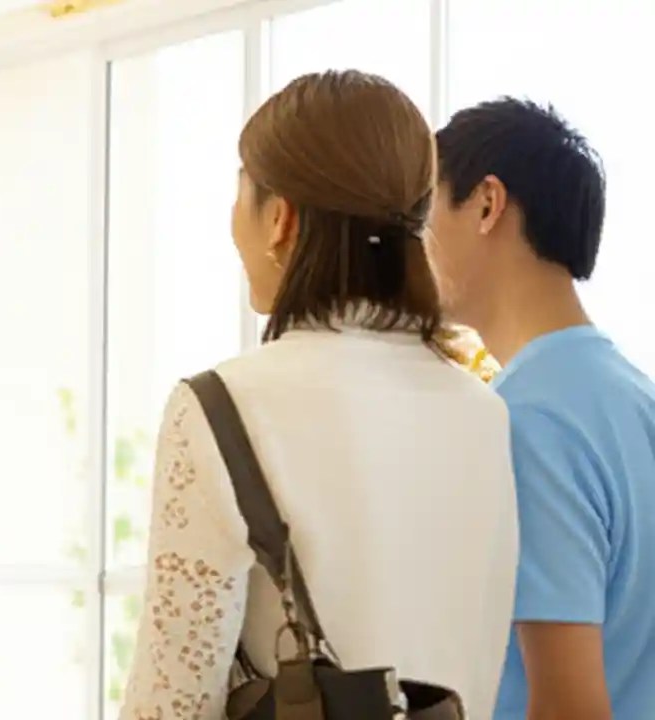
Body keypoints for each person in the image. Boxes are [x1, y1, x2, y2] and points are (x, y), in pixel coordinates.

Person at [118, 70, 518, 720]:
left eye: (240, 192)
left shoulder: (221, 405)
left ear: (280, 218)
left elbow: (169, 706)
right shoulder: (485, 413)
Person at [430, 98, 655, 720]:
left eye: (426, 208)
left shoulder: (527, 420)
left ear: (485, 204)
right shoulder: (633, 398)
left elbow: (570, 707)